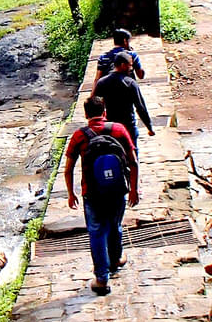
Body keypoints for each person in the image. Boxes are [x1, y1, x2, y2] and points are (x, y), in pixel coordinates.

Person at [64, 95, 139, 295]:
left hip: (92, 193)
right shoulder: (118, 130)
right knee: (115, 225)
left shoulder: (79, 136)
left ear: (86, 114)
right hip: (117, 190)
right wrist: (133, 188)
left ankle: (101, 279)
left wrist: (71, 193)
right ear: (104, 112)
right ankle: (115, 259)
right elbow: (133, 162)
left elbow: (68, 168)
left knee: (96, 232)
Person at [93, 53, 156, 145]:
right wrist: (149, 127)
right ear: (123, 65)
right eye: (130, 65)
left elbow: (95, 104)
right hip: (128, 126)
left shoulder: (102, 82)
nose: (131, 69)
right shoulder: (130, 83)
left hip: (111, 126)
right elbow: (140, 107)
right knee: (133, 152)